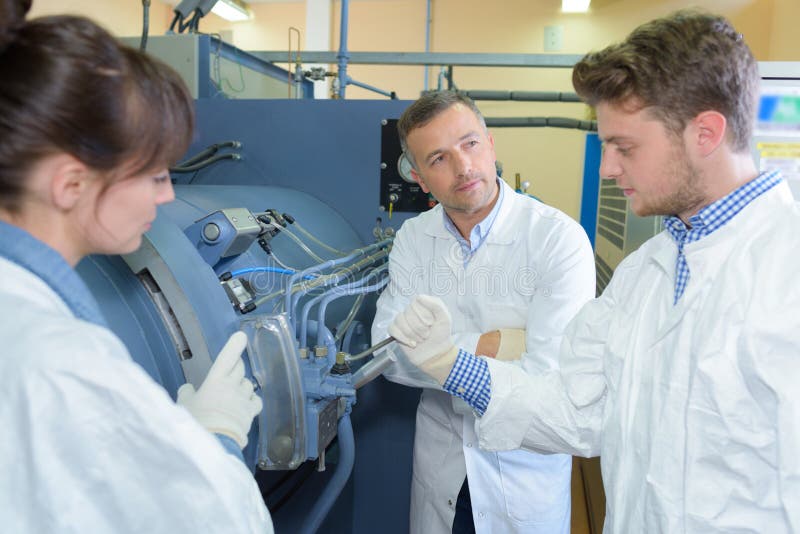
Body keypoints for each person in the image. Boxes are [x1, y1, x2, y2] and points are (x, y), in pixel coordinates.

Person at [388, 10, 800, 533]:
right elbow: (576, 411)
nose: (606, 168)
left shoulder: (787, 274)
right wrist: (449, 362)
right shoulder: (644, 274)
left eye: (624, 147)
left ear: (706, 133)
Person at [0, 2, 273, 532]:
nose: (168, 194)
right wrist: (212, 441)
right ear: (71, 185)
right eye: (153, 175)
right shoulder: (58, 360)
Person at [372, 91, 595, 533]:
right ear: (418, 177)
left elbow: (551, 374)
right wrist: (495, 344)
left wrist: (440, 357)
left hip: (523, 475)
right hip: (443, 473)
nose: (463, 167)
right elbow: (387, 351)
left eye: (470, 144)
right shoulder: (414, 239)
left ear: (491, 145)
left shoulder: (557, 239)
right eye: (438, 158)